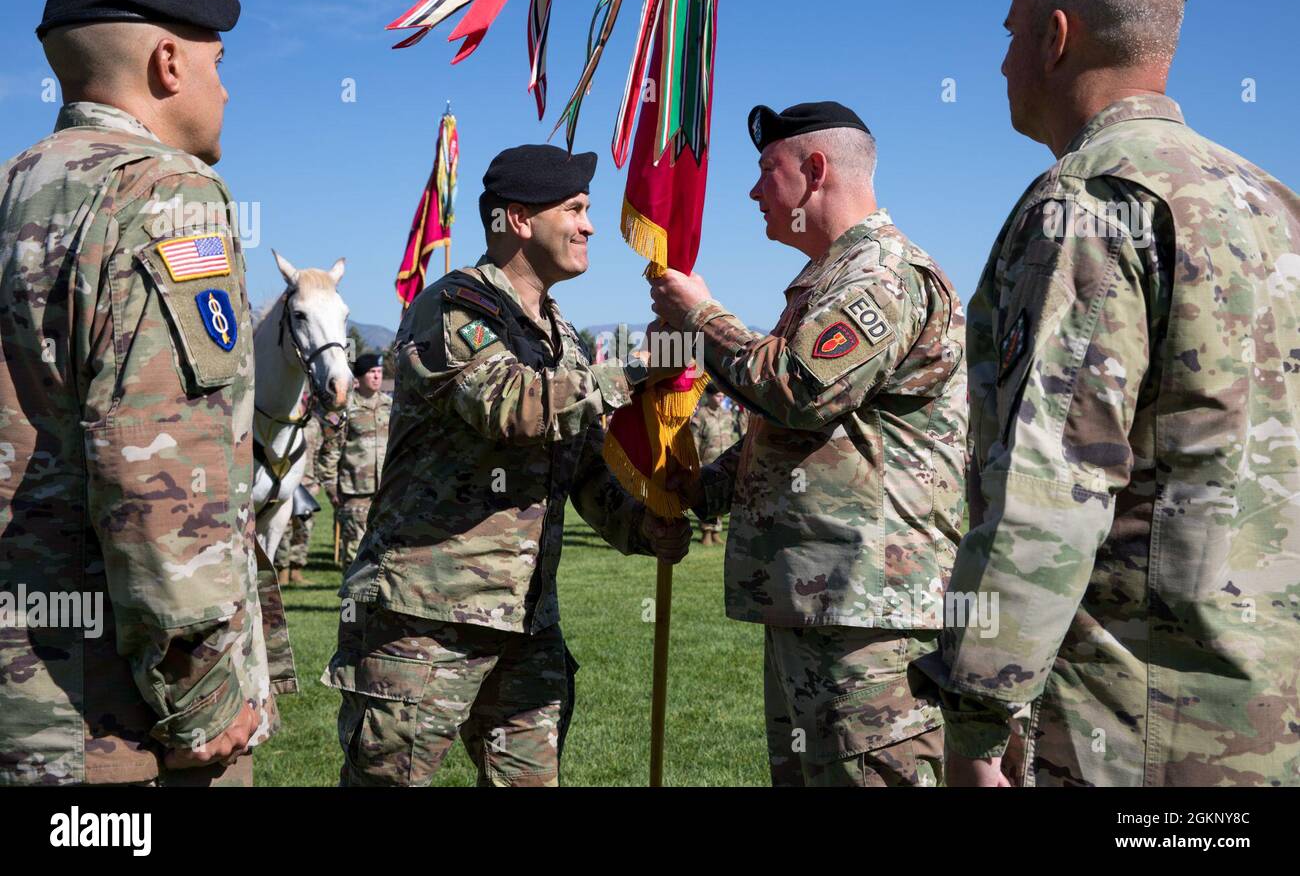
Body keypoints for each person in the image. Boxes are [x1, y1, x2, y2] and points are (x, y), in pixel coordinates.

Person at [914, 0, 1300, 787]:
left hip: (1131, 735)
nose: (1001, 64)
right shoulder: (1276, 204)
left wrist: (977, 719)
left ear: (1056, 39)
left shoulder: (1087, 204)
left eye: (1011, 36)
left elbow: (1048, 492)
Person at [0, 0, 293, 786]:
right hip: (113, 717)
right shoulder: (166, 196)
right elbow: (158, 462)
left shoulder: (11, 189)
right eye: (219, 64)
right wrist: (199, 697)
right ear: (169, 63)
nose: (226, 90)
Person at [325, 144, 692, 786]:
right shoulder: (455, 307)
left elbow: (575, 465)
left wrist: (640, 526)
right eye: (575, 209)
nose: (590, 225)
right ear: (519, 221)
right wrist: (638, 368)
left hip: (525, 619)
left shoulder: (559, 331)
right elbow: (515, 407)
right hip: (427, 614)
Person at [651, 102, 968, 787]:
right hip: (822, 606)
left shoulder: (883, 276)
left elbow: (797, 388)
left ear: (816, 170)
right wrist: (701, 489)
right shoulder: (827, 281)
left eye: (769, 170)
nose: (754, 190)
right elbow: (794, 433)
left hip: (870, 619)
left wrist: (699, 318)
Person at [318, 353, 391, 571]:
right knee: (354, 555)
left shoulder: (391, 406)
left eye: (379, 372)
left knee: (384, 555)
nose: (377, 377)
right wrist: (331, 489)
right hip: (354, 493)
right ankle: (352, 605)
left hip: (386, 490)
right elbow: (330, 451)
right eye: (371, 372)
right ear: (359, 377)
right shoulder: (345, 410)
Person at [274, 392, 324, 585]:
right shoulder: (281, 422)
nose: (302, 400)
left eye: (304, 397)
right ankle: (282, 570)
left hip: (308, 484)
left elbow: (320, 453)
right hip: (284, 483)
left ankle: (297, 570)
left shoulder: (313, 424)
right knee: (283, 528)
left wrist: (318, 480)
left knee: (304, 528)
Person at [689, 385, 739, 545]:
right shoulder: (701, 415)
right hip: (708, 462)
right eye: (718, 396)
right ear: (709, 396)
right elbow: (694, 440)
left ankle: (716, 532)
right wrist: (695, 462)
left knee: (722, 495)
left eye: (723, 396)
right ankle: (706, 532)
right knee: (707, 496)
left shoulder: (728, 414)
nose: (721, 399)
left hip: (726, 463)